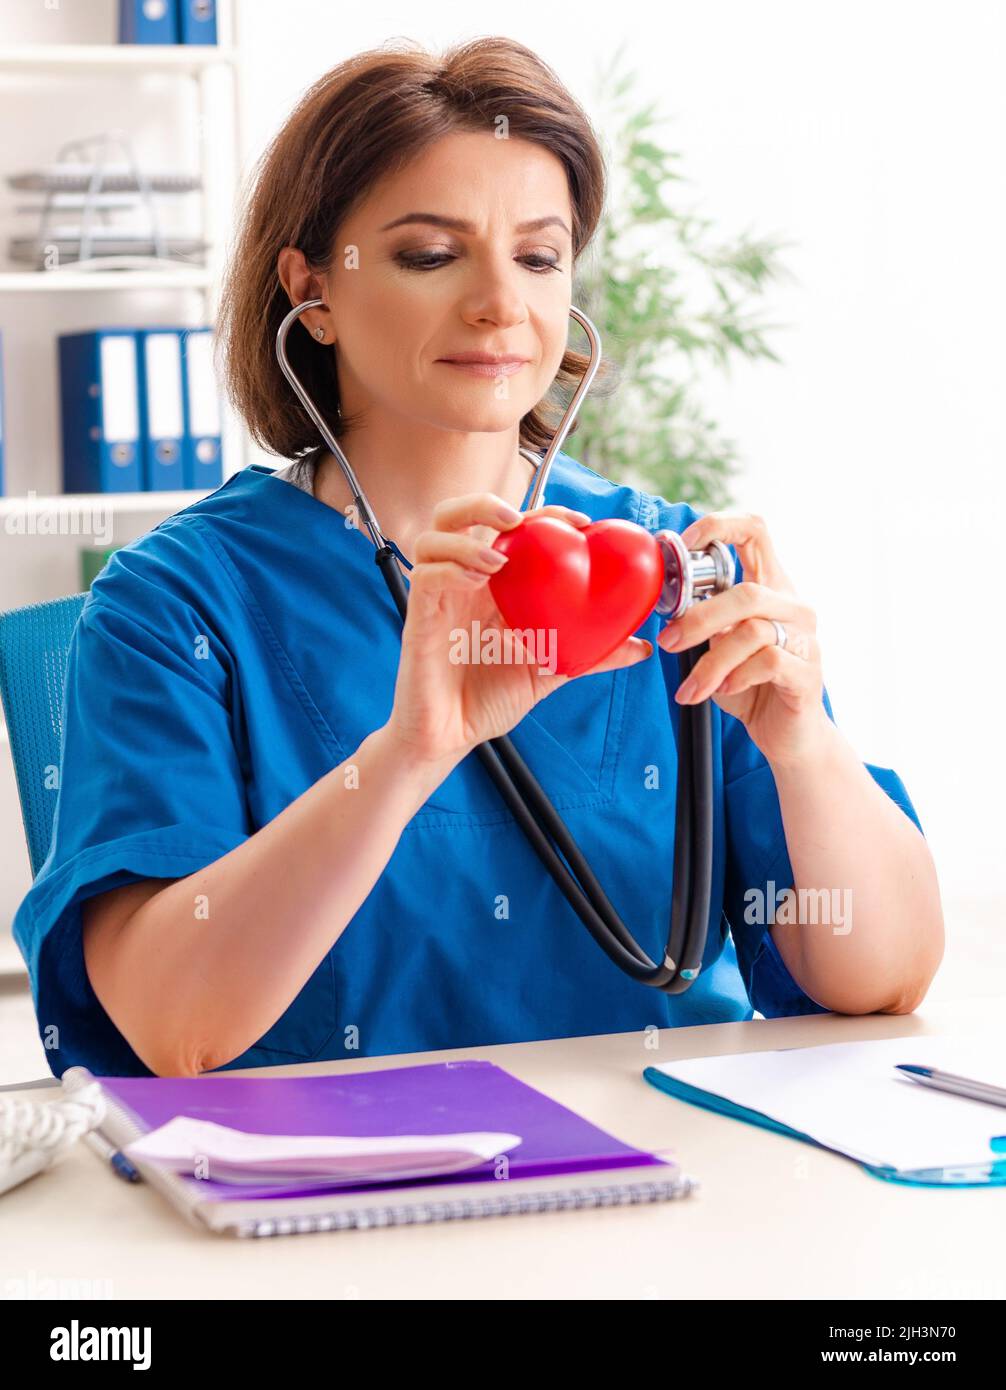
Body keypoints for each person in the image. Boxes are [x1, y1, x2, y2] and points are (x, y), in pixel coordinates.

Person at [12, 37, 943, 1080]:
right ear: (311, 290)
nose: (502, 302)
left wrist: (803, 744)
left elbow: (882, 978)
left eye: (539, 257)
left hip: (683, 1193)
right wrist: (408, 752)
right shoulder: (175, 605)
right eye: (428, 254)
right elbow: (172, 1026)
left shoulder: (672, 568)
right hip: (352, 1209)